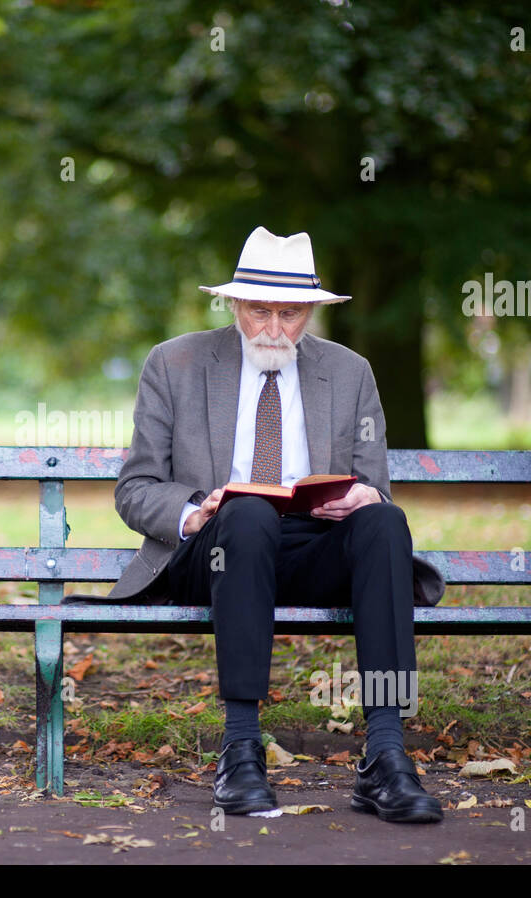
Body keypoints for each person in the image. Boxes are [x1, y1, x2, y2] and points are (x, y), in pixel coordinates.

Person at [107, 227, 446, 823]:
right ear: (234, 303)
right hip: (218, 550)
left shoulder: (350, 372)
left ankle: (386, 754)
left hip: (312, 548)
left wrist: (363, 496)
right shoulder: (175, 363)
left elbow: (376, 486)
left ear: (310, 311)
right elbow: (135, 490)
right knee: (247, 512)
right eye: (259, 310)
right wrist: (195, 511)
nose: (273, 327)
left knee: (385, 523)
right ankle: (241, 750)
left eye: (290, 314)